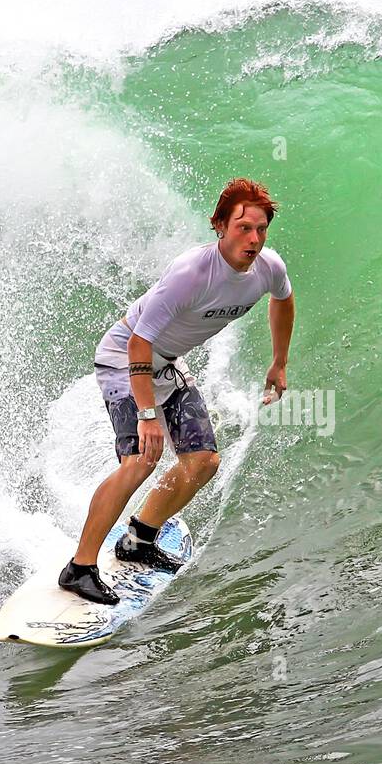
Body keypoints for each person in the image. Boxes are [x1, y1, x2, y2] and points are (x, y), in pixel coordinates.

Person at [58, 178, 296, 604]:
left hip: (166, 363)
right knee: (138, 461)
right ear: (220, 226)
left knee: (203, 462)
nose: (254, 238)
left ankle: (139, 540)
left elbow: (284, 299)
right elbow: (137, 343)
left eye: (261, 229)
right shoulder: (191, 274)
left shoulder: (268, 268)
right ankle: (80, 567)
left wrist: (278, 361)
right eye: (244, 227)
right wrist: (148, 415)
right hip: (124, 358)